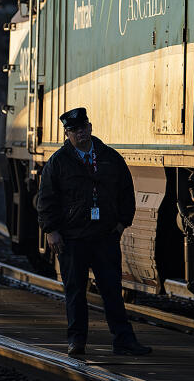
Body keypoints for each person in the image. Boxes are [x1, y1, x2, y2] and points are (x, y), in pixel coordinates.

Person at [36, 107, 152, 357]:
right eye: (74, 130)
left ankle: (123, 340)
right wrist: (51, 230)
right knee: (75, 291)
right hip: (72, 238)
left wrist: (122, 224)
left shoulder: (110, 157)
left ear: (90, 127)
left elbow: (126, 192)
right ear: (67, 134)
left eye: (84, 128)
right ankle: (77, 341)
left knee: (112, 289)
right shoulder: (58, 162)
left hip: (104, 236)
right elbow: (46, 199)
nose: (81, 133)